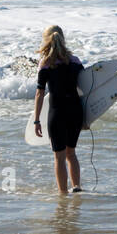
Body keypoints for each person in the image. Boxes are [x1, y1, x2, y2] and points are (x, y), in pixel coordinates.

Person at [33, 25, 85, 195]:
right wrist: (88, 116)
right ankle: (77, 188)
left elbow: (40, 94)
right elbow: (86, 89)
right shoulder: (75, 61)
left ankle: (63, 195)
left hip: (58, 113)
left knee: (59, 157)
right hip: (76, 112)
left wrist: (36, 120)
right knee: (72, 153)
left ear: (46, 41)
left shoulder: (46, 64)